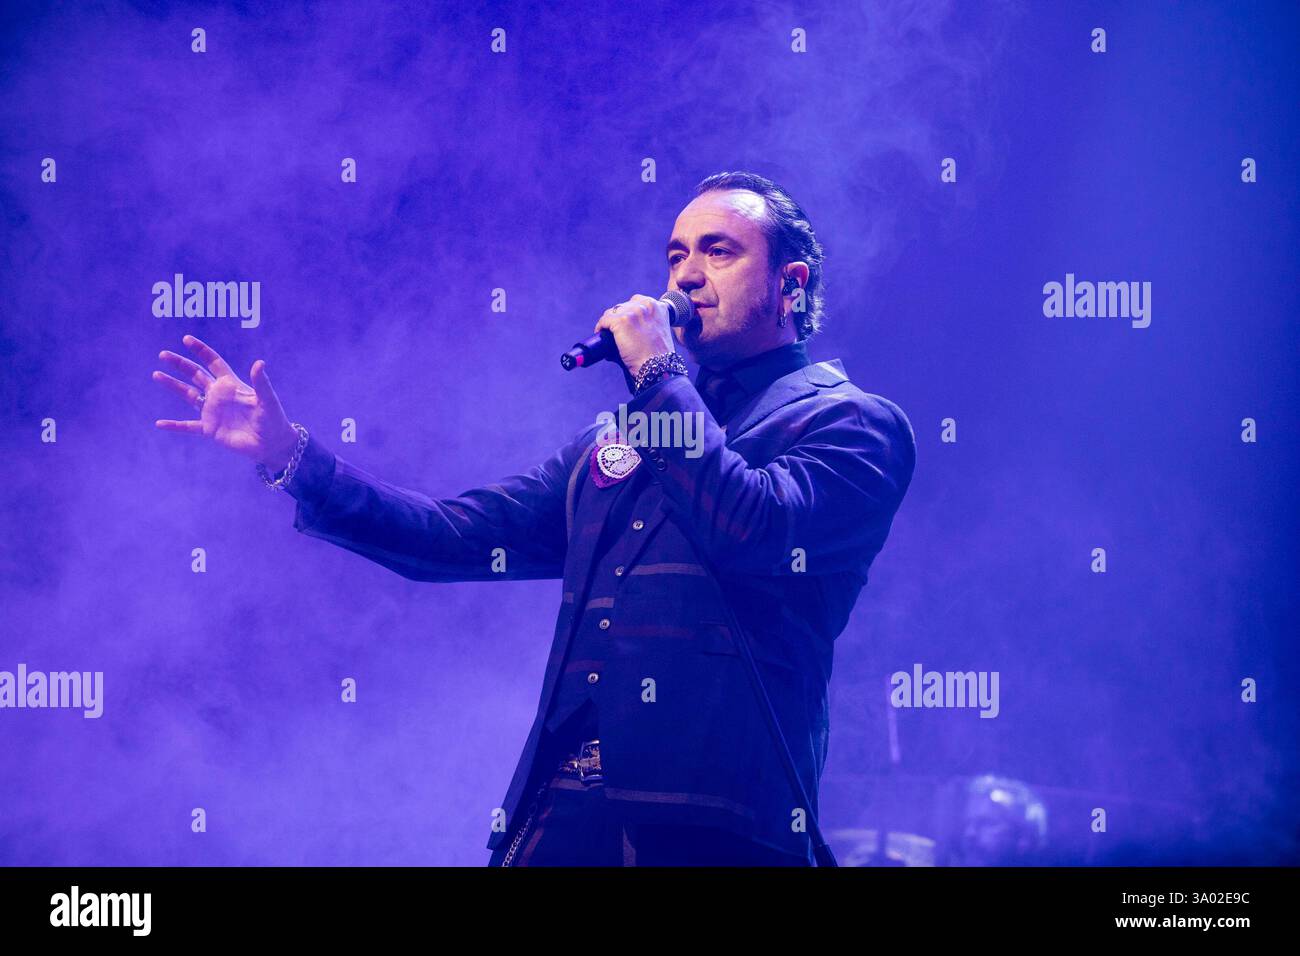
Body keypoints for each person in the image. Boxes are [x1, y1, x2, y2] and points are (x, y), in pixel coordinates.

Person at [151, 171, 917, 866]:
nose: (685, 275)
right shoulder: (632, 430)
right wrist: (294, 459)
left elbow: (752, 529)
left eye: (718, 252)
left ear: (791, 283)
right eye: (676, 254)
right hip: (560, 812)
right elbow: (455, 536)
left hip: (715, 822)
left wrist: (656, 373)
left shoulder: (851, 423)